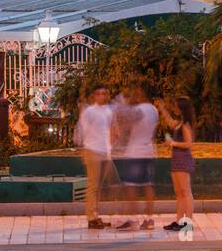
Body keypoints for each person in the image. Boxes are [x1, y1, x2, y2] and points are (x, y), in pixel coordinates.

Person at [115, 81, 158, 231]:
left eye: (137, 91)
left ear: (142, 92)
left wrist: (120, 103)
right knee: (148, 185)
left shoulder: (140, 110)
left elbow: (127, 120)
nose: (134, 94)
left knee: (130, 186)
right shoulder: (154, 109)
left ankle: (133, 219)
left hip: (135, 152)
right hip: (149, 151)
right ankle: (149, 219)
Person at [76, 85, 118, 230]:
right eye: (99, 94)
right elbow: (82, 130)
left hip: (105, 151)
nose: (102, 96)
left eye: (104, 93)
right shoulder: (89, 112)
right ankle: (90, 217)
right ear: (94, 96)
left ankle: (96, 215)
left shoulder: (108, 111)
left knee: (99, 187)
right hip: (92, 150)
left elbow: (110, 131)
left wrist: (110, 147)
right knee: (93, 186)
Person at [158, 96, 196, 233]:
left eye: (176, 106)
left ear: (182, 109)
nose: (174, 108)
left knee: (186, 192)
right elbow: (170, 122)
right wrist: (163, 109)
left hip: (183, 159)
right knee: (179, 193)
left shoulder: (185, 125)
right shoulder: (179, 123)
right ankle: (179, 221)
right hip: (176, 159)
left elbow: (189, 143)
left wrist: (173, 143)